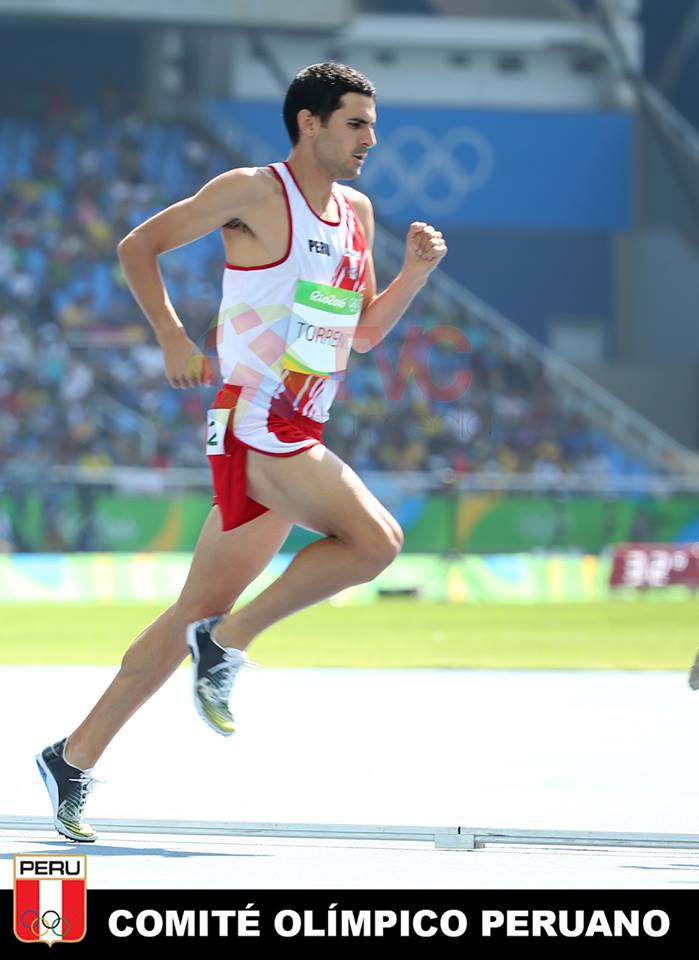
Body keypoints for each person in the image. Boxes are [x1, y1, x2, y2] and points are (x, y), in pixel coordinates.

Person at [35, 62, 448, 842]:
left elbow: (361, 333)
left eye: (372, 123)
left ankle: (73, 757)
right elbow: (138, 245)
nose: (371, 138)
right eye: (356, 122)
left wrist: (415, 275)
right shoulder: (254, 191)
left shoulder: (356, 212)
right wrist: (170, 335)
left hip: (299, 421)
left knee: (194, 608)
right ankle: (226, 648)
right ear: (309, 124)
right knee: (375, 542)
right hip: (255, 417)